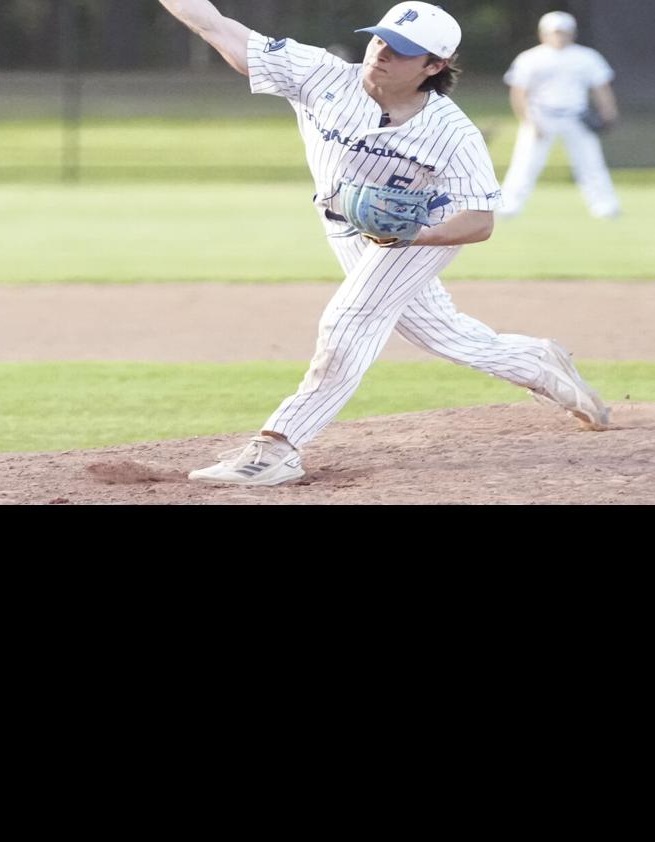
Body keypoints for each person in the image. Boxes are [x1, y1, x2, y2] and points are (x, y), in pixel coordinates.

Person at [158, 0, 611, 487]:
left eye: (402, 50)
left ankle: (278, 447)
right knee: (442, 333)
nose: (383, 52)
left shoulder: (451, 132)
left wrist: (416, 234)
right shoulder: (320, 74)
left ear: (434, 66)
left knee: (350, 319)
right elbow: (215, 25)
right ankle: (538, 363)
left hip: (421, 230)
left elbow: (479, 220)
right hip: (346, 226)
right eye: (381, 38)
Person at [496, 11, 621, 220]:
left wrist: (608, 111)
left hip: (576, 116)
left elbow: (601, 87)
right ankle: (509, 205)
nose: (559, 36)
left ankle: (604, 205)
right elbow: (518, 92)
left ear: (572, 33)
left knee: (591, 163)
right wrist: (528, 120)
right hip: (541, 115)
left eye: (564, 32)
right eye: (555, 32)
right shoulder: (531, 58)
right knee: (525, 164)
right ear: (543, 33)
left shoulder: (586, 57)